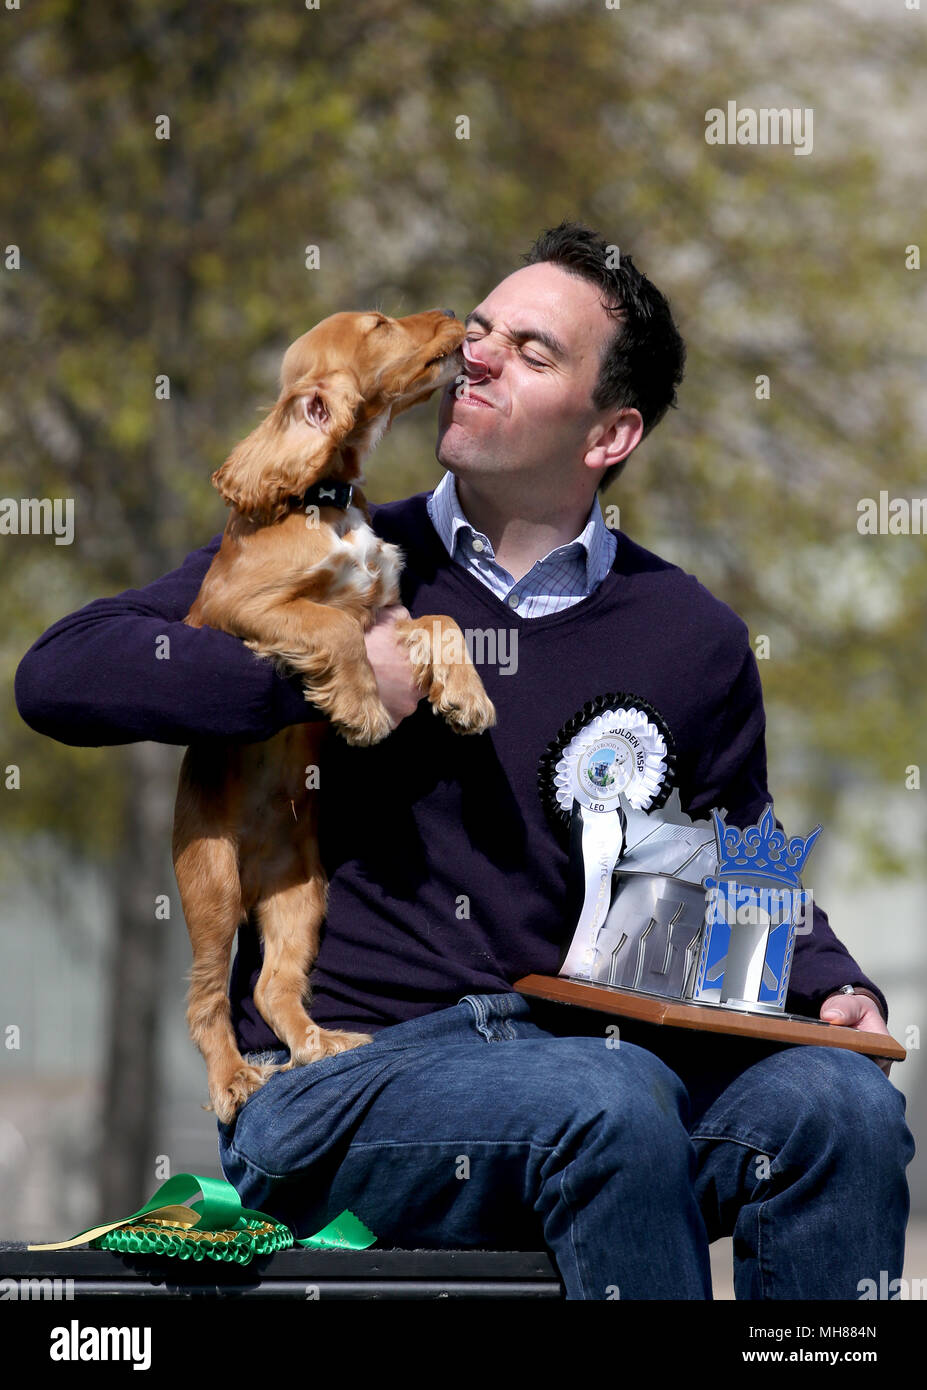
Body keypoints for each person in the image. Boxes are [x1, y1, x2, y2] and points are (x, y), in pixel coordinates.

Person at [15, 222, 914, 1300]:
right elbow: (60, 675)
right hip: (342, 1081)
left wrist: (830, 982)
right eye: (480, 330)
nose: (477, 353)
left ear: (608, 433)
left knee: (841, 1111)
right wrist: (319, 675)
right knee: (608, 1105)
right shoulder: (325, 549)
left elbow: (736, 847)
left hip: (587, 1057)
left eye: (533, 352)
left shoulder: (693, 632)